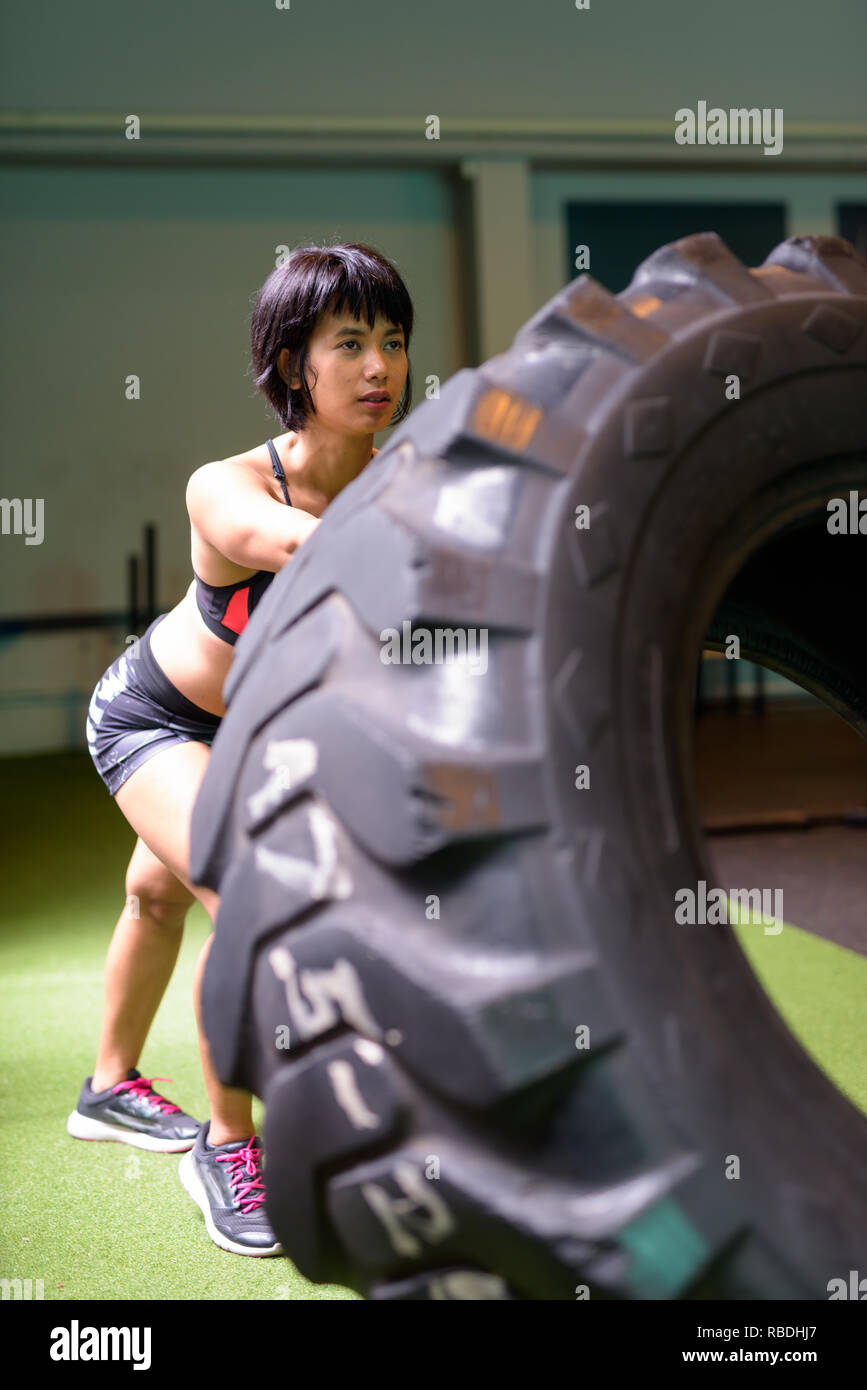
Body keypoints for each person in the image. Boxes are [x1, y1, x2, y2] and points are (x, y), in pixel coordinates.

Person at [69, 243, 413, 1255]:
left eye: (392, 340)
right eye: (348, 341)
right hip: (155, 721)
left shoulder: (403, 482)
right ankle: (229, 1144)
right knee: (255, 899)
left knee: (154, 894)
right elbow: (309, 548)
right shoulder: (224, 486)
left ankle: (108, 1087)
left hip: (258, 732)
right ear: (290, 362)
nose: (378, 364)